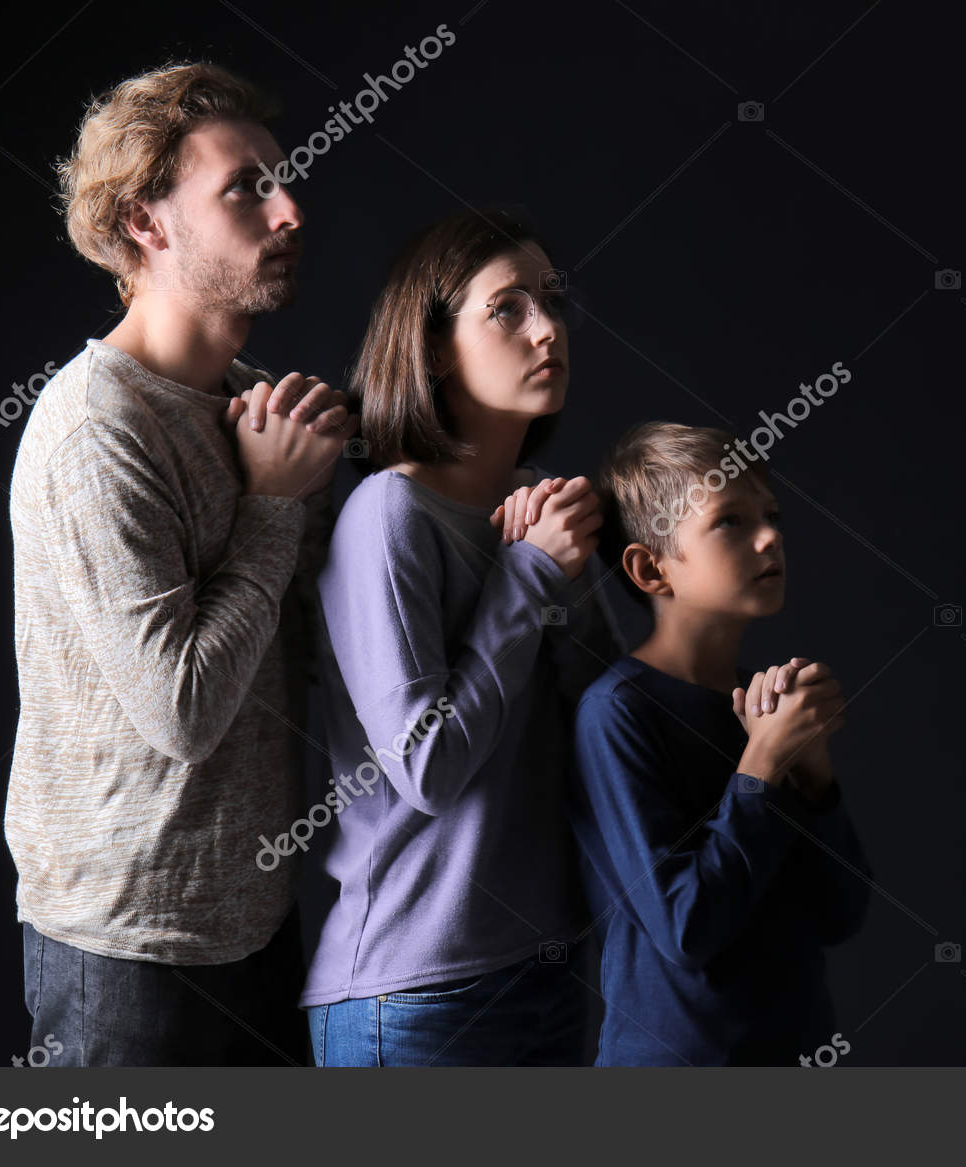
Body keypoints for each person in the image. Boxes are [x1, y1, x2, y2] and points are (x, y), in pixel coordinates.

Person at [6, 61, 358, 1066]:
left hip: (259, 919)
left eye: (282, 179)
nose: (290, 209)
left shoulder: (255, 407)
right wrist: (276, 505)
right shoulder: (95, 427)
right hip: (128, 955)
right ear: (147, 225)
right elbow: (182, 710)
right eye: (245, 186)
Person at [298, 206, 623, 1066]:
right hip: (415, 998)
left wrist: (573, 573)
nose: (547, 327)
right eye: (507, 308)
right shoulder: (387, 514)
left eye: (552, 301)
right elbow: (427, 765)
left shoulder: (537, 509)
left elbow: (599, 725)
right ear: (435, 345)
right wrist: (527, 577)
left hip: (548, 968)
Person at [567, 421, 872, 1065]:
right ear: (652, 568)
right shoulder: (617, 713)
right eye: (730, 522)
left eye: (771, 514)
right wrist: (762, 765)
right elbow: (687, 928)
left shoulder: (763, 707)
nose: (771, 536)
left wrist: (813, 776)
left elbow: (841, 914)